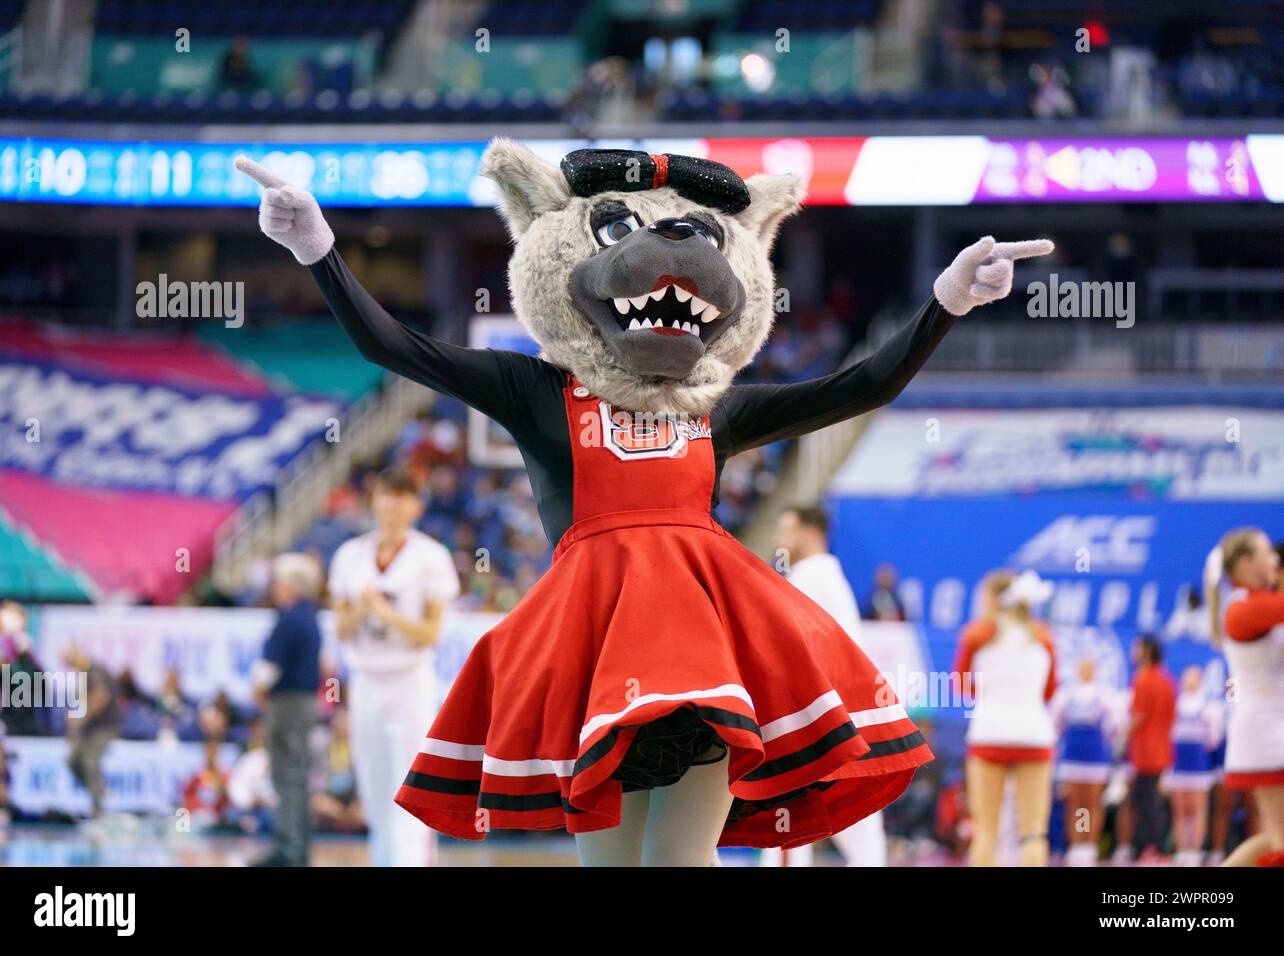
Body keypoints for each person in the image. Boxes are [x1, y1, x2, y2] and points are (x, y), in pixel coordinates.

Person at [236, 141, 1049, 865]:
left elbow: (858, 386)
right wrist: (320, 251)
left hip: (706, 669)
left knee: (681, 861)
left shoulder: (714, 408)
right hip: (600, 658)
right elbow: (393, 344)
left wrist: (944, 303)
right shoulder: (536, 390)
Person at [328, 467, 459, 867]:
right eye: (385, 495)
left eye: (401, 497)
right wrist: (363, 610)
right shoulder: (350, 556)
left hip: (409, 679)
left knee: (411, 784)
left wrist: (384, 613)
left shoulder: (430, 556)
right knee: (374, 788)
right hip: (367, 679)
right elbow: (341, 628)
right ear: (374, 500)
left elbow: (431, 634)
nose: (390, 505)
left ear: (416, 506)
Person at [760, 505, 886, 867]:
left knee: (791, 816)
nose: (778, 540)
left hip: (821, 714)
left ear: (811, 533)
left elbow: (786, 651)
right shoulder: (824, 577)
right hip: (837, 711)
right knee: (853, 821)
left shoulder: (810, 577)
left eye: (786, 530)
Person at [955, 569, 1057, 867]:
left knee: (986, 830)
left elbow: (960, 684)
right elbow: (1050, 690)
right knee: (1033, 832)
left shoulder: (976, 634)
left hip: (990, 733)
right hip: (1033, 735)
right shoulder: (1044, 637)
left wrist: (991, 690)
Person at [1205, 527, 1284, 866]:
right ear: (1246, 562)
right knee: (1279, 840)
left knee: (1275, 838)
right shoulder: (1241, 608)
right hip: (1263, 733)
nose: (1274, 559)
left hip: (1270, 726)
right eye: (1268, 552)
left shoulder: (1256, 603)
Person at [251, 551, 324, 866]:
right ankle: (299, 845)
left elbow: (269, 667)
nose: (275, 587)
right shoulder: (311, 617)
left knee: (286, 775)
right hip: (304, 702)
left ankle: (288, 848)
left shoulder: (290, 617)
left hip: (288, 703)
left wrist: (258, 690)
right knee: (297, 774)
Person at [1051, 657, 1124, 866]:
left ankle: (1089, 844)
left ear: (1095, 670)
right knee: (1075, 803)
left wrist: (1105, 744)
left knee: (1091, 803)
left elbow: (1115, 726)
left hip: (1095, 758)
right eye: (1081, 667)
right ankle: (1076, 844)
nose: (1085, 671)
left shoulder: (1104, 696)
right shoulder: (1066, 695)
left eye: (1089, 667)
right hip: (1073, 757)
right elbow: (1056, 724)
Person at [1122, 635, 1176, 863]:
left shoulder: (1142, 679)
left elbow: (1139, 716)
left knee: (1145, 802)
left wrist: (1122, 736)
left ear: (1146, 651)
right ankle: (1154, 846)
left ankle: (1152, 847)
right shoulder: (1167, 680)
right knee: (1148, 800)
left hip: (1146, 750)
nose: (1133, 651)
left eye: (1137, 648)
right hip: (1162, 748)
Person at [1167, 666, 1223, 865]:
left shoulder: (1208, 706)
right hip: (1178, 764)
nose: (1190, 682)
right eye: (1187, 677)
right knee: (1180, 810)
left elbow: (1214, 739)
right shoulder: (1175, 705)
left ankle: (1194, 850)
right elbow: (1168, 734)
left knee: (1197, 809)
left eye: (1194, 678)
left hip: (1198, 764)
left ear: (1201, 681)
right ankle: (1181, 848)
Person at [63, 646, 120, 820]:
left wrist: (81, 718)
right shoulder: (82, 675)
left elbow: (100, 697)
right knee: (73, 760)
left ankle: (99, 810)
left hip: (104, 727)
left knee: (90, 761)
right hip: (90, 729)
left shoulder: (93, 671)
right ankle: (100, 794)